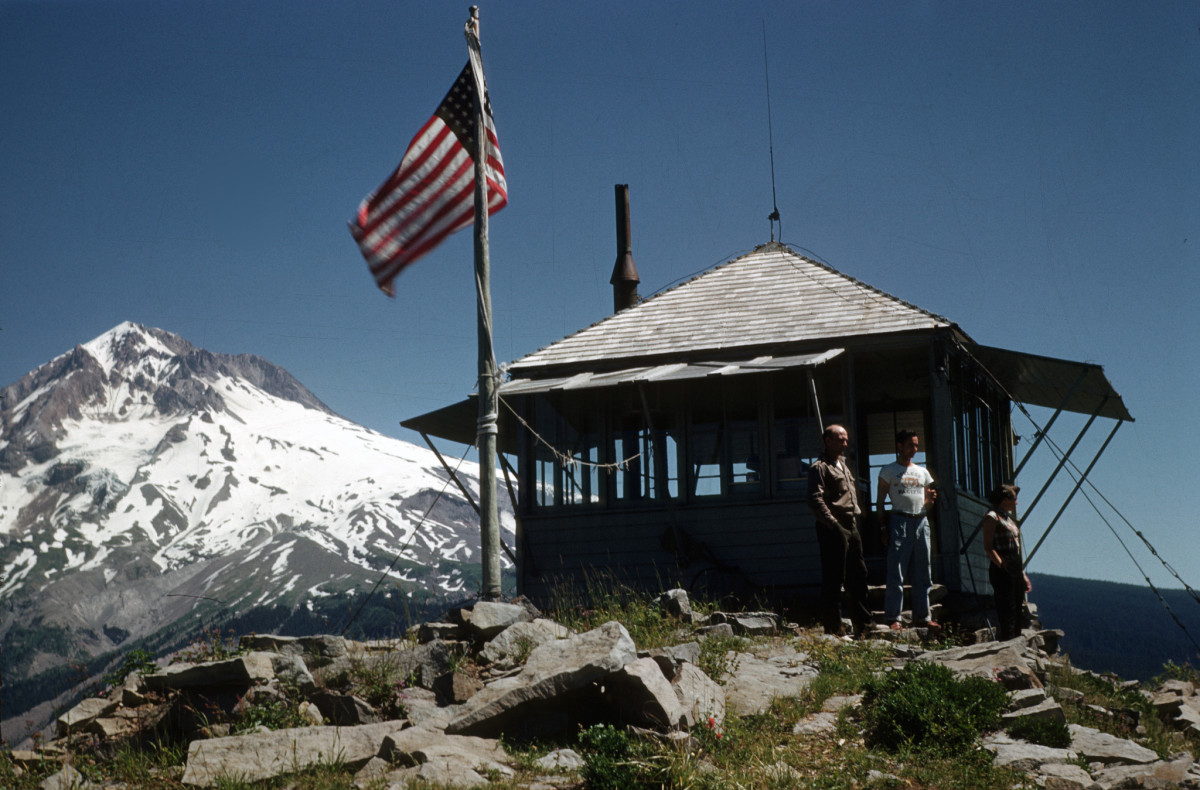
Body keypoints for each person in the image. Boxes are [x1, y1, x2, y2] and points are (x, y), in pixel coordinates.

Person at [807, 424, 872, 637]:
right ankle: (834, 629)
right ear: (828, 441)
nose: (845, 443)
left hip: (851, 524)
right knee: (834, 578)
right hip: (833, 526)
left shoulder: (844, 465)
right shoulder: (819, 468)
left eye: (846, 439)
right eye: (841, 439)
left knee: (859, 575)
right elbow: (815, 499)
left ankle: (863, 626)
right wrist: (832, 523)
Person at [876, 430, 939, 630]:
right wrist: (883, 527)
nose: (914, 449)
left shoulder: (923, 473)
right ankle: (893, 617)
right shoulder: (888, 471)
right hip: (899, 519)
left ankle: (923, 616)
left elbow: (927, 503)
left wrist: (930, 501)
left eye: (916, 445)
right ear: (900, 446)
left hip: (921, 520)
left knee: (923, 571)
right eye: (911, 445)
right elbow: (880, 502)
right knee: (897, 570)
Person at [981, 484, 1032, 640]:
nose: (1016, 503)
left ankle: (1016, 640)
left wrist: (1022, 574)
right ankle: (1007, 641)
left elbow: (1015, 546)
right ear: (1004, 500)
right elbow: (988, 546)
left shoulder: (1007, 518)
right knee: (1007, 606)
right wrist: (1002, 565)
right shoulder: (992, 517)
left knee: (1017, 605)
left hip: (1014, 562)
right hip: (1003, 563)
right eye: (1014, 499)